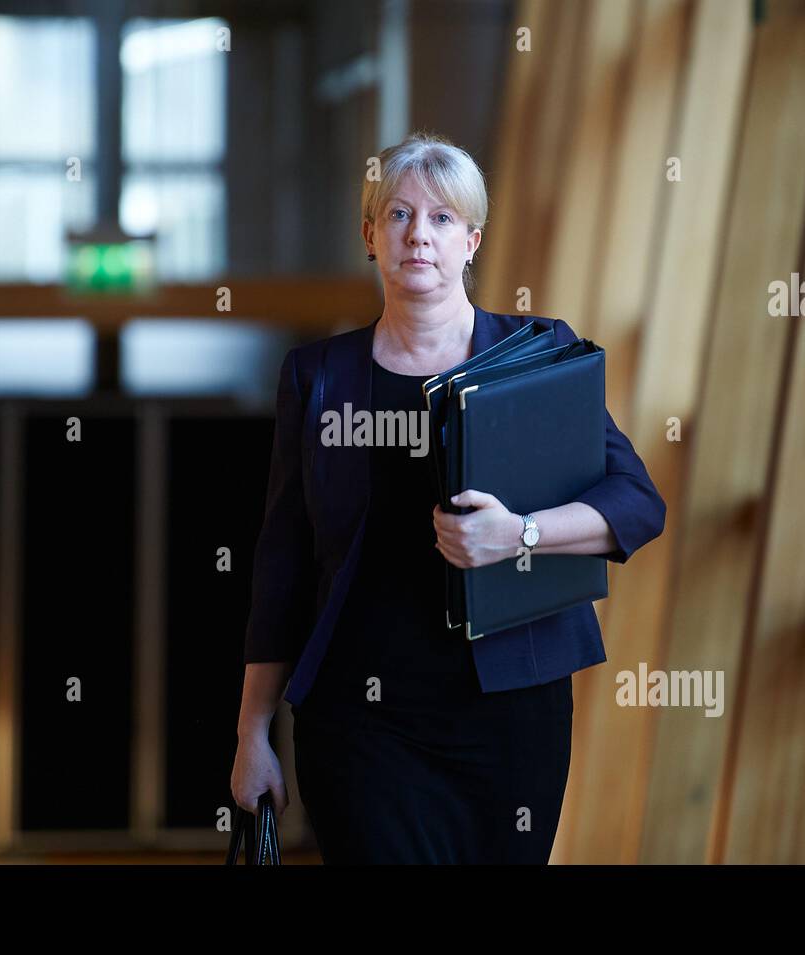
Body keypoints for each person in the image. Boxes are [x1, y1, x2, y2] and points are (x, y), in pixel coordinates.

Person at [230, 131, 666, 863]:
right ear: (370, 237)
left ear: (473, 240)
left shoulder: (536, 358)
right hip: (360, 719)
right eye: (397, 216)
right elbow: (284, 566)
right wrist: (252, 733)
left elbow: (637, 502)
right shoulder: (318, 378)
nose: (417, 237)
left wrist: (520, 534)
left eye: (440, 219)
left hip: (509, 718)